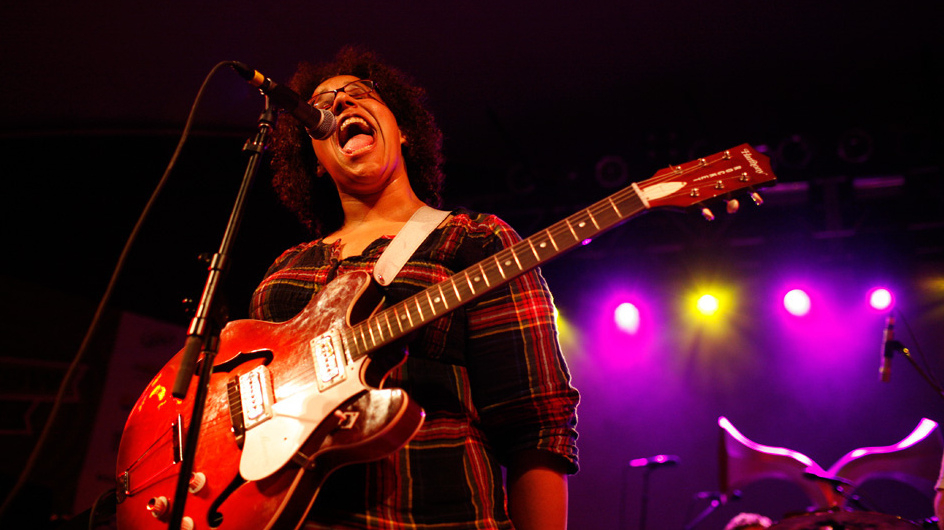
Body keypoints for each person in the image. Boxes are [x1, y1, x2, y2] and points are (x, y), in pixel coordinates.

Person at [248, 46, 580, 529]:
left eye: (359, 94)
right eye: (322, 104)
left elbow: (535, 424)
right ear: (315, 160)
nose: (340, 104)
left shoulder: (473, 239)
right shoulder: (285, 268)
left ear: (402, 130)